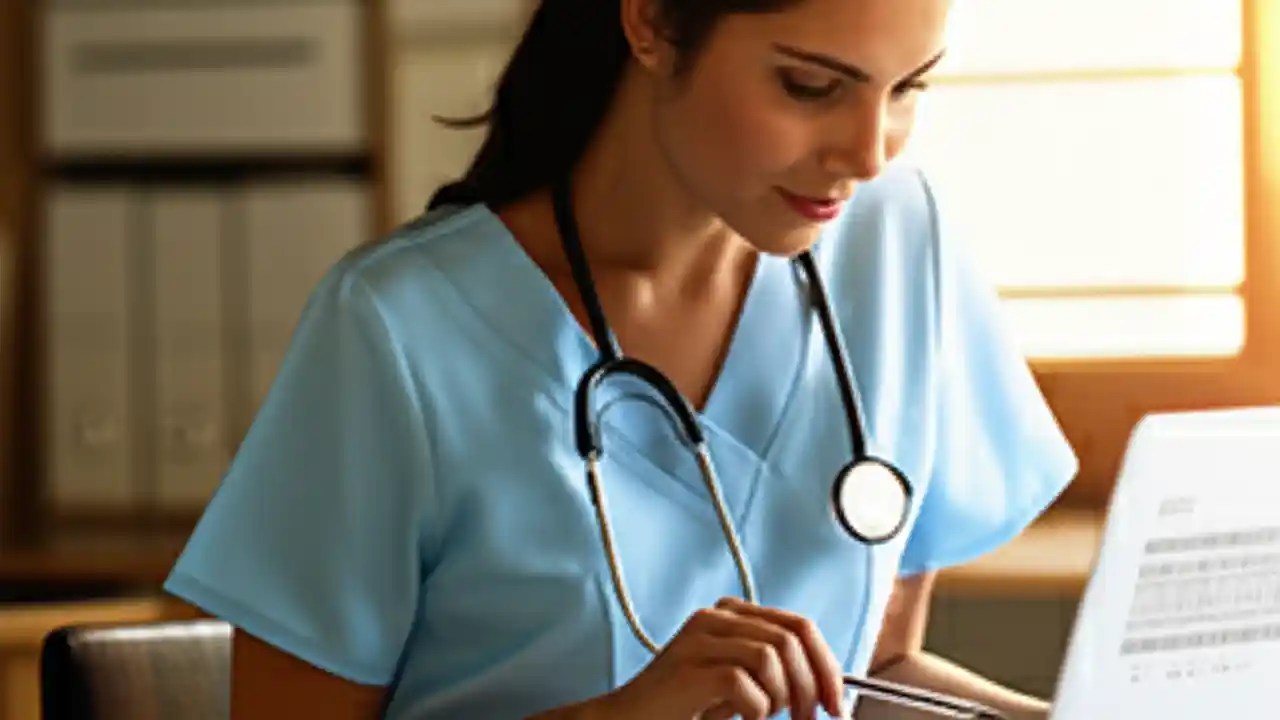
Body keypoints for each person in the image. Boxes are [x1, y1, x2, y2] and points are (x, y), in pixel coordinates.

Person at [163, 0, 1079, 717]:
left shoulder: (899, 246)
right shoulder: (401, 329)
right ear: (653, 22)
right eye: (810, 86)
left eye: (909, 88)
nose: (869, 154)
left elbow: (875, 676)